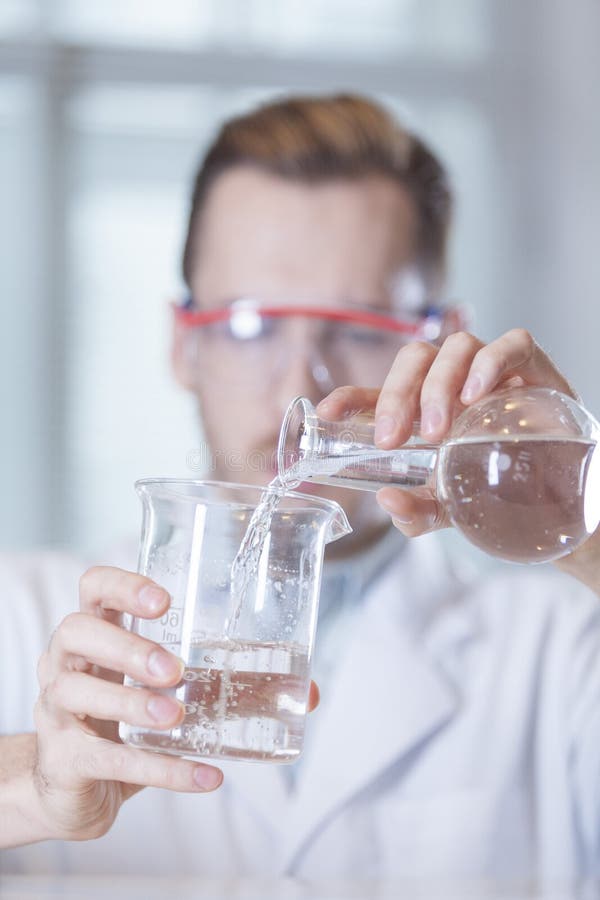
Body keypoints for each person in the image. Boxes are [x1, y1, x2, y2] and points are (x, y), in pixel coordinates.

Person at [1, 93, 600, 881]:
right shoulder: (27, 620)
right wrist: (28, 797)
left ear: (444, 342)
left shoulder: (556, 655)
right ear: (183, 345)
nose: (302, 384)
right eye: (250, 325)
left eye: (358, 328)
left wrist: (585, 518)